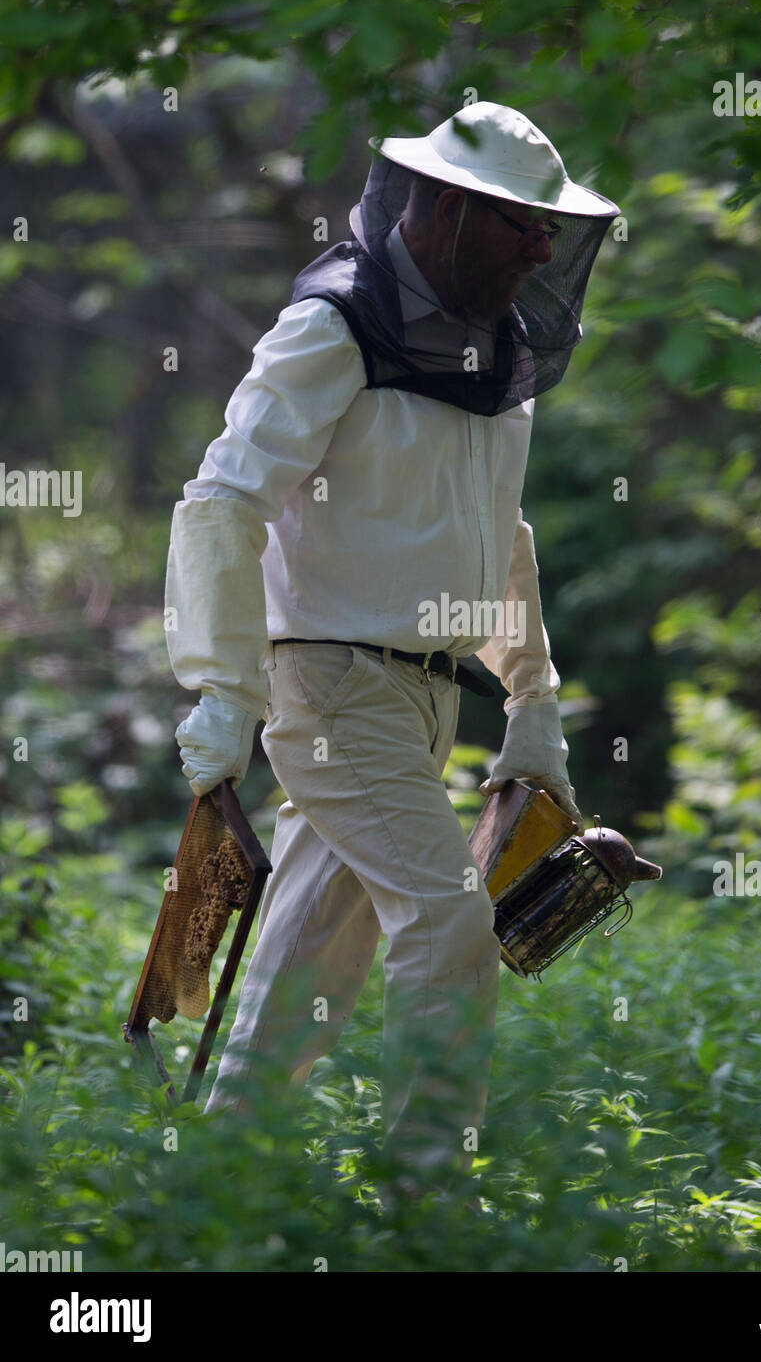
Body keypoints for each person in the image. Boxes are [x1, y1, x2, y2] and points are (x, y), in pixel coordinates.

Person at [164, 100, 619, 1207]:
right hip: (326, 684)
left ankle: (215, 1187)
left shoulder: (498, 356)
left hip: (425, 698)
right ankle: (426, 1205)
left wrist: (532, 701)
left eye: (552, 229)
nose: (545, 249)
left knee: (308, 953)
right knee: (450, 918)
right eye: (523, 224)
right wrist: (219, 696)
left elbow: (498, 539)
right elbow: (221, 503)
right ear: (453, 210)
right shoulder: (332, 328)